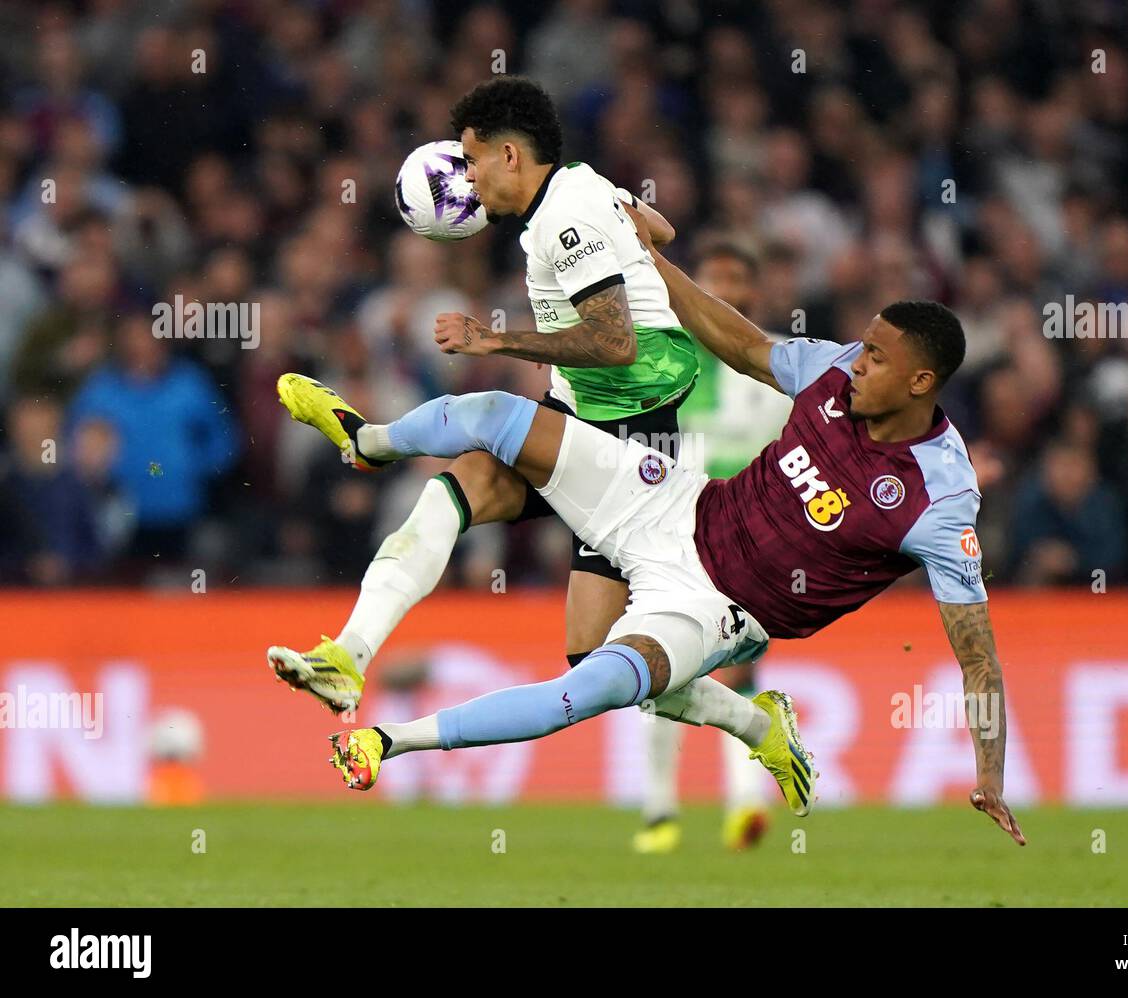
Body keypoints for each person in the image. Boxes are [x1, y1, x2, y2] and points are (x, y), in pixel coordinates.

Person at [268, 209, 1024, 841]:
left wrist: (989, 773)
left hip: (719, 609)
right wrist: (656, 262)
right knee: (498, 416)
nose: (858, 363)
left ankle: (385, 742)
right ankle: (365, 442)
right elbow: (741, 343)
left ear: (921, 383)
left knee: (584, 683)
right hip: (680, 503)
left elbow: (978, 658)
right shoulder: (835, 371)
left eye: (878, 360)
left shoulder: (938, 499)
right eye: (863, 349)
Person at [265, 74, 700, 703]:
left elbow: (616, 344)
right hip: (587, 414)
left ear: (511, 155)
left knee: (491, 416)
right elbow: (663, 229)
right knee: (455, 505)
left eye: (471, 160)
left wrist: (493, 341)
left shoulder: (565, 217)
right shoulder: (581, 185)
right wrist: (625, 220)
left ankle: (368, 441)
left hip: (633, 435)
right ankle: (346, 657)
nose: (467, 177)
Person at [637, 239, 791, 853]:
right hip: (667, 532)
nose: (728, 290)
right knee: (656, 669)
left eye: (739, 280)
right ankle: (658, 809)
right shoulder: (666, 355)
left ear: (757, 291)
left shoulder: (781, 359)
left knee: (738, 666)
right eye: (714, 279)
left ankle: (741, 806)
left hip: (752, 537)